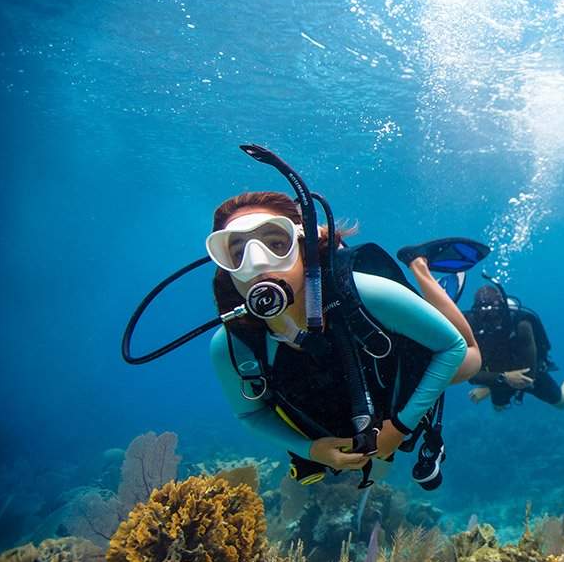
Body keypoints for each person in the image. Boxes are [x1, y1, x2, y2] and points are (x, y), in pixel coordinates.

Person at [206, 190, 488, 489]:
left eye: (277, 244)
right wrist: (311, 450)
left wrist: (401, 426)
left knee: (471, 359)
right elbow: (250, 413)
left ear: (304, 248)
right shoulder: (231, 346)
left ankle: (420, 266)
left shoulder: (367, 292)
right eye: (238, 253)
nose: (257, 264)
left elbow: (452, 346)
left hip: (399, 367)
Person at [464, 283, 564, 410]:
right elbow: (466, 372)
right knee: (498, 408)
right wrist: (500, 379)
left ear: (503, 310)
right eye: (483, 316)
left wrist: (491, 385)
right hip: (500, 375)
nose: (490, 321)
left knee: (563, 402)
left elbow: (528, 377)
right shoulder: (469, 325)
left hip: (530, 371)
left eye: (494, 315)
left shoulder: (521, 325)